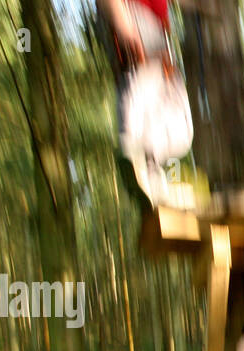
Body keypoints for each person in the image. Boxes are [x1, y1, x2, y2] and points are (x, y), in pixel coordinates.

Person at [96, 0, 194, 210]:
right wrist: (120, 18)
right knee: (142, 81)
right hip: (135, 17)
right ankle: (134, 152)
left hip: (153, 26)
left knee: (177, 126)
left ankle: (149, 171)